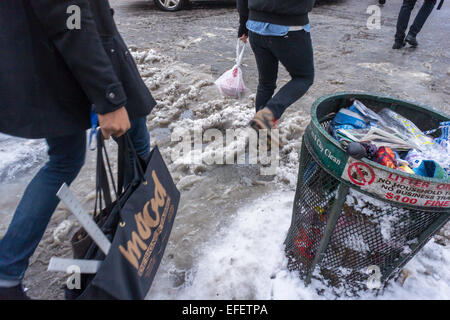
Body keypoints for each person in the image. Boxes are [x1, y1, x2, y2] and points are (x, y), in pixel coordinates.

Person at [0, 0, 156, 299]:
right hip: (87, 53)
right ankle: (135, 242)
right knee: (134, 141)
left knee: (65, 159)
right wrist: (108, 96)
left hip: (45, 65)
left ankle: (7, 272)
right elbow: (69, 17)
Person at [237, 0, 315, 147]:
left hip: (255, 26)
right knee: (304, 77)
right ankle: (265, 117)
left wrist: (243, 25)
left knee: (266, 82)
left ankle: (262, 136)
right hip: (289, 27)